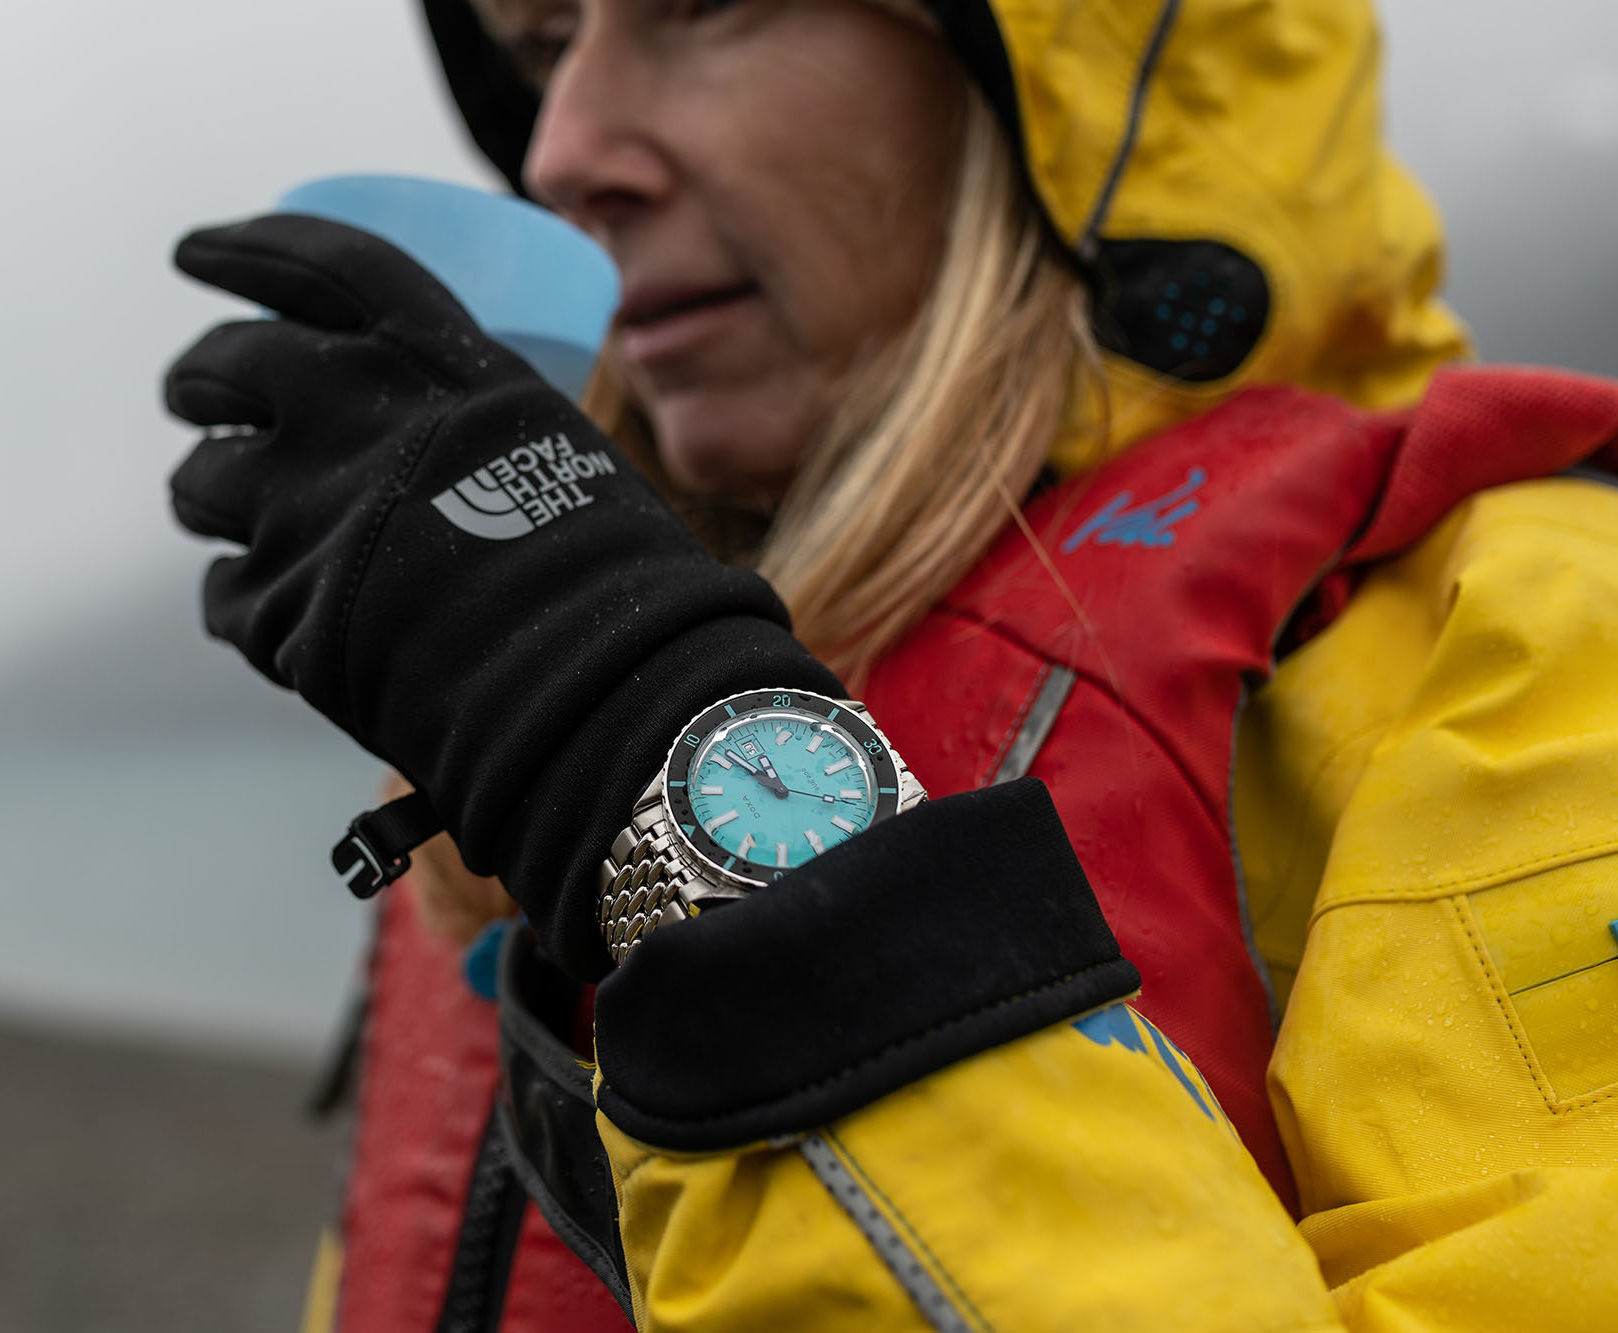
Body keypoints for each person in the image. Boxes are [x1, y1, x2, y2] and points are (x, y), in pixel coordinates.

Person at [163, 0, 1618, 1328]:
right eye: (544, 47)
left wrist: (677, 768)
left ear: (1066, 84)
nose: (561, 150)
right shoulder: (535, 703)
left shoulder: (1530, 649)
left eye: (696, 8)